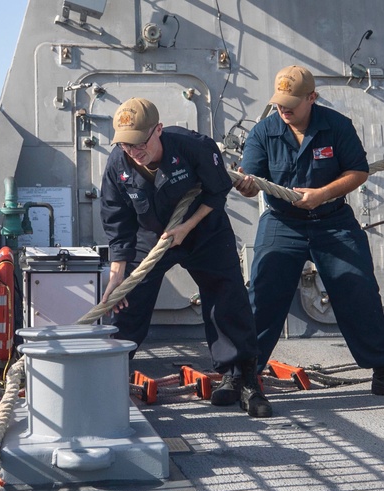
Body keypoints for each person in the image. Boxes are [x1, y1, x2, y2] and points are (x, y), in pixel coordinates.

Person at [234, 65, 384, 400]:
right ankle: (244, 375)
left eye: (291, 102)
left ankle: (383, 372)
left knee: (358, 289)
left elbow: (358, 171)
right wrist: (246, 185)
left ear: (312, 97)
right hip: (282, 222)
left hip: (333, 220)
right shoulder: (263, 132)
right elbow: (252, 179)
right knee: (263, 294)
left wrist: (322, 194)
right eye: (279, 102)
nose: (283, 108)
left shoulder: (336, 126)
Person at [100, 97, 272, 417]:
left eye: (139, 143)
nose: (133, 151)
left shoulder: (193, 147)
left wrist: (187, 226)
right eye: (125, 144)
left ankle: (242, 380)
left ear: (158, 131)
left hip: (204, 228)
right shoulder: (118, 165)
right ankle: (110, 380)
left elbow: (217, 191)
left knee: (226, 296)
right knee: (126, 301)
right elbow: (117, 222)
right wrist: (117, 275)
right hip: (151, 236)